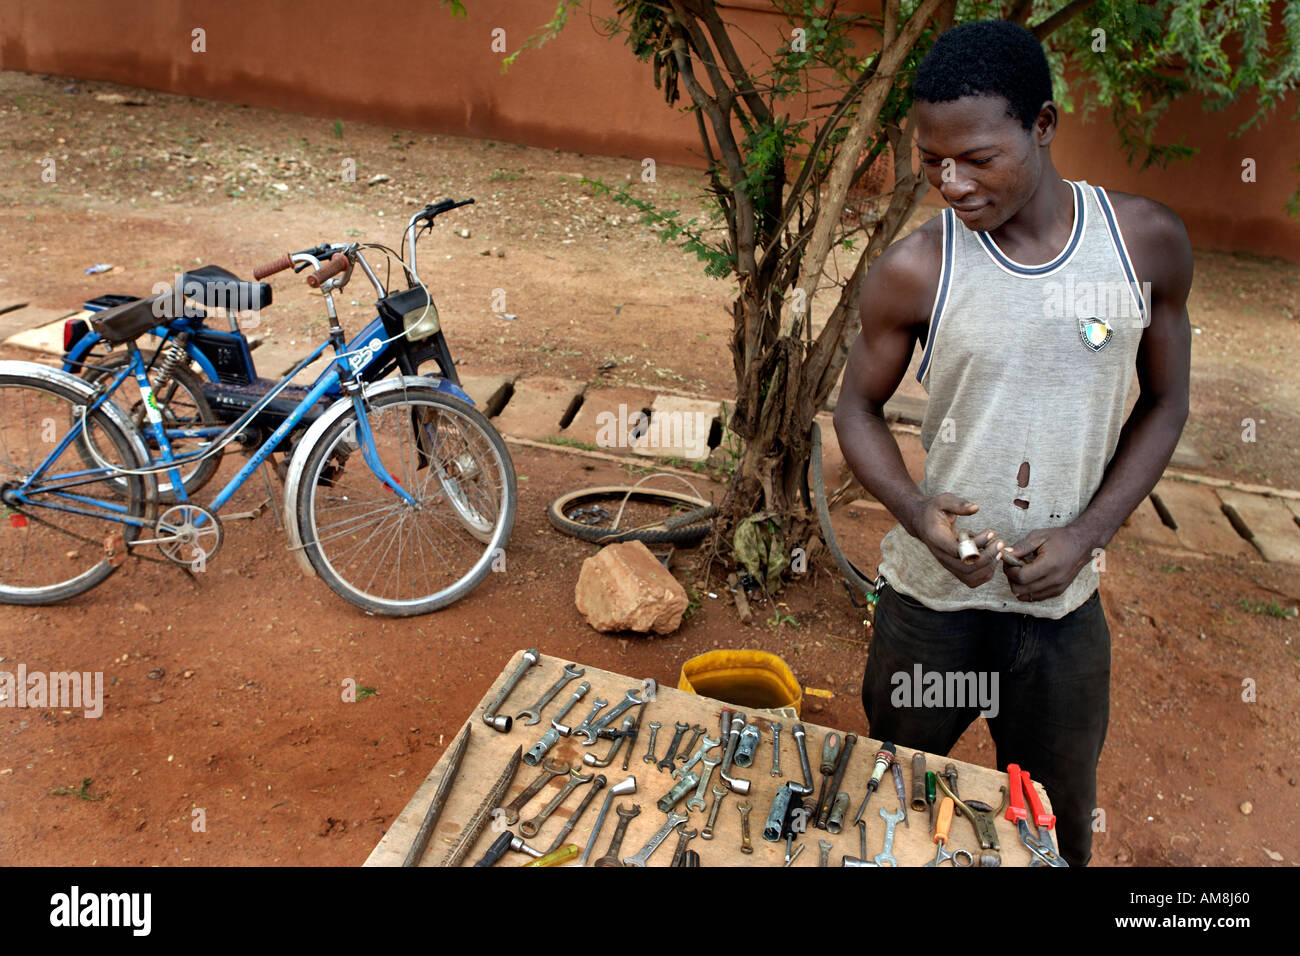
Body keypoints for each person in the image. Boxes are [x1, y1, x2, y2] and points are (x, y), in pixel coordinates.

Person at [832, 19, 1192, 866]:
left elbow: (1167, 403)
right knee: (895, 795)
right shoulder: (918, 268)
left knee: (1056, 827)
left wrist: (1085, 535)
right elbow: (856, 410)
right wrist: (920, 512)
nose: (950, 183)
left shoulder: (1142, 245)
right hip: (932, 610)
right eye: (930, 160)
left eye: (978, 158)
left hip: (1059, 616)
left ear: (1043, 125)